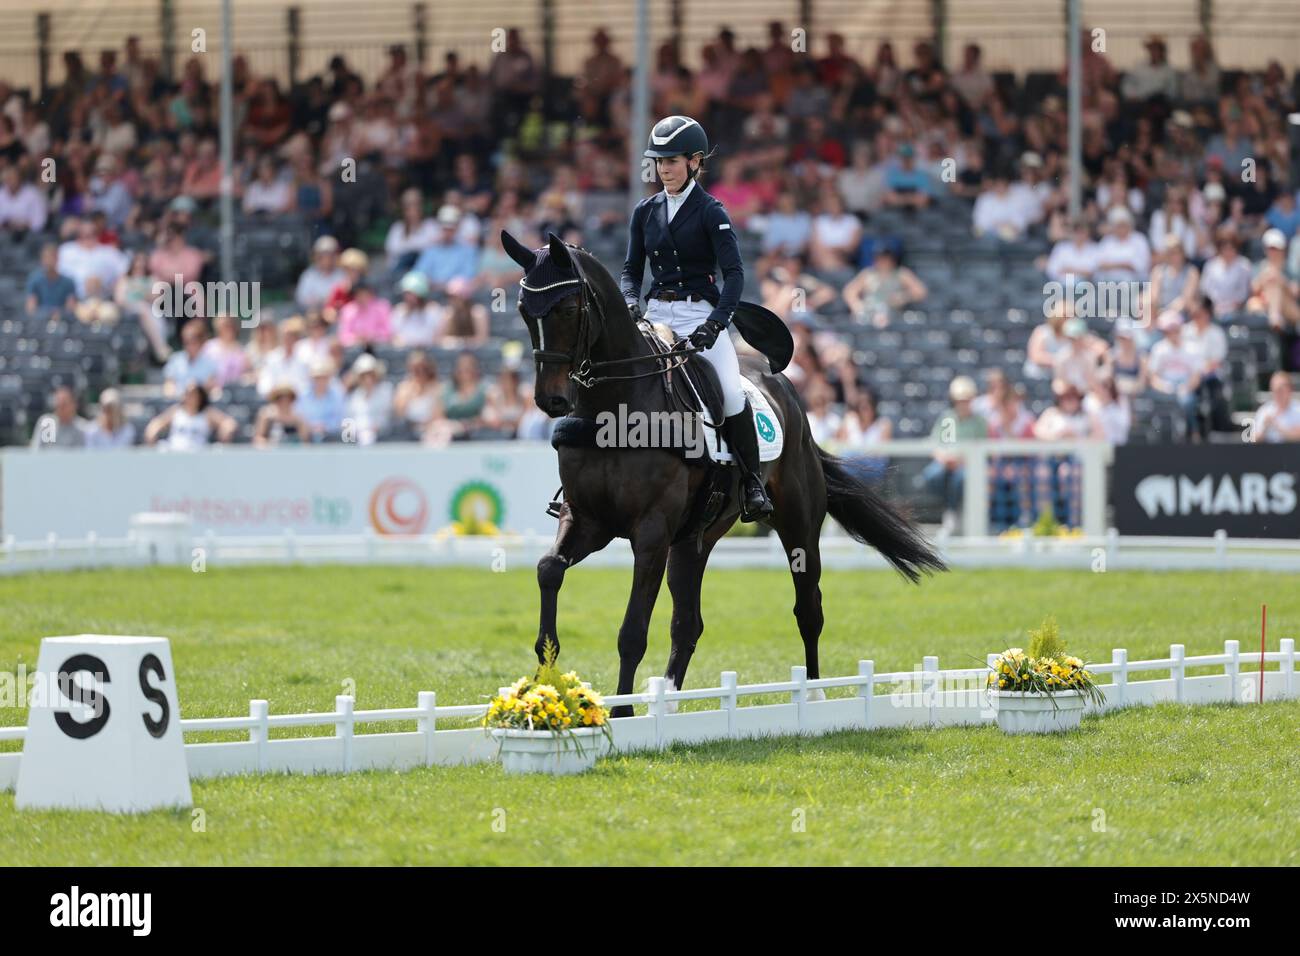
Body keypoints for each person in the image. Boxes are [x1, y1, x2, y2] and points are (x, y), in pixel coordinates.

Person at [620, 114, 772, 520]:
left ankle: (753, 482)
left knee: (729, 391)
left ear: (695, 161)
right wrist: (632, 301)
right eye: (658, 161)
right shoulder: (644, 211)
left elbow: (735, 275)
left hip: (698, 313)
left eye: (672, 161)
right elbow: (631, 271)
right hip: (656, 315)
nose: (663, 169)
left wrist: (715, 324)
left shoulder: (710, 211)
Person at [921, 376, 987, 531]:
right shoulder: (947, 418)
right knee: (932, 475)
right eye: (960, 400)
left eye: (966, 400)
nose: (963, 404)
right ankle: (950, 509)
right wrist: (944, 458)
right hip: (945, 462)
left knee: (960, 478)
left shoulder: (979, 422)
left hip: (967, 465)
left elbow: (981, 449)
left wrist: (961, 461)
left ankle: (951, 512)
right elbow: (936, 443)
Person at [842, 248, 926, 327]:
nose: (884, 262)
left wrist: (904, 297)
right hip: (870, 312)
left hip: (894, 313)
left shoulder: (902, 273)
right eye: (880, 258)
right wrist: (857, 306)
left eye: (886, 258)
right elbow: (849, 291)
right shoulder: (867, 274)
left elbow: (920, 291)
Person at [144, 383, 238, 450]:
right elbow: (157, 422)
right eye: (188, 394)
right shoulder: (176, 411)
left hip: (198, 454)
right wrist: (152, 430)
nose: (190, 397)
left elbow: (229, 422)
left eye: (194, 394)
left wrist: (225, 431)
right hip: (174, 452)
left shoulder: (207, 413)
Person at [297, 357, 347, 441]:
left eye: (323, 377)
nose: (320, 381)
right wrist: (311, 427)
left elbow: (341, 419)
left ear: (328, 378)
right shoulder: (303, 396)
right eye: (317, 378)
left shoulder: (337, 396)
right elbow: (299, 416)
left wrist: (325, 427)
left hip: (331, 437)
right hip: (307, 436)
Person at [1253, 371, 1300, 442]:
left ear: (1289, 389)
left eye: (1280, 390)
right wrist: (1264, 428)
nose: (1278, 393)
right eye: (1274, 390)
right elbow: (1252, 439)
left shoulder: (1298, 409)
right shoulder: (1264, 410)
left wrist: (1277, 426)